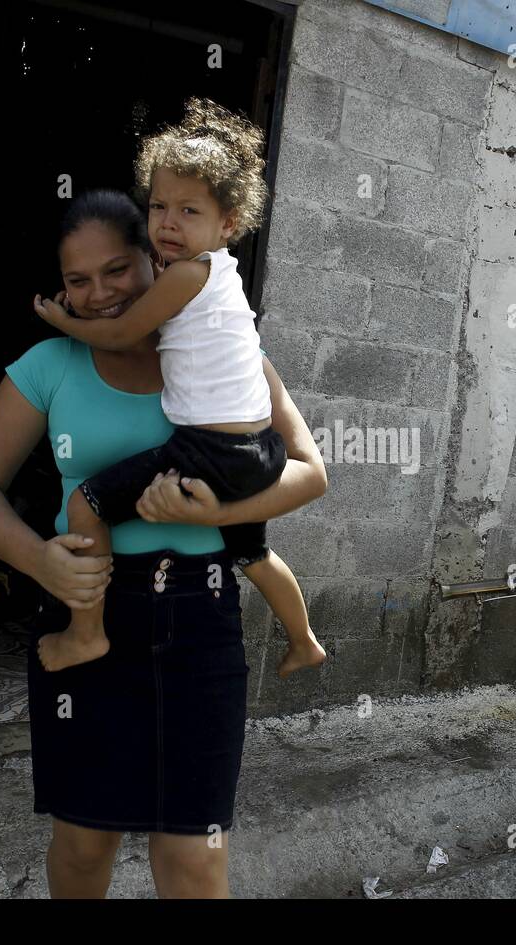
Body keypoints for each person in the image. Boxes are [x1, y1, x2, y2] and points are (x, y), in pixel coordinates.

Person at [0, 188, 327, 898]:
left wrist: (208, 511)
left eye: (117, 270)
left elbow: (311, 471)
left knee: (193, 853)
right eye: (77, 280)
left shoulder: (222, 346)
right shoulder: (49, 365)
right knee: (85, 839)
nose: (98, 295)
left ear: (156, 261)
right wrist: (38, 559)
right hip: (88, 609)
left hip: (200, 623)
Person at [32, 97, 325, 680]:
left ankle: (85, 633)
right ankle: (304, 638)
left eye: (188, 211)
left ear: (228, 225)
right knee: (253, 553)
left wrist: (64, 320)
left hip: (205, 451)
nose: (167, 222)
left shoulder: (188, 275)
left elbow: (120, 332)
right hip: (256, 450)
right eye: (159, 206)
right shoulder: (220, 279)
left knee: (83, 504)